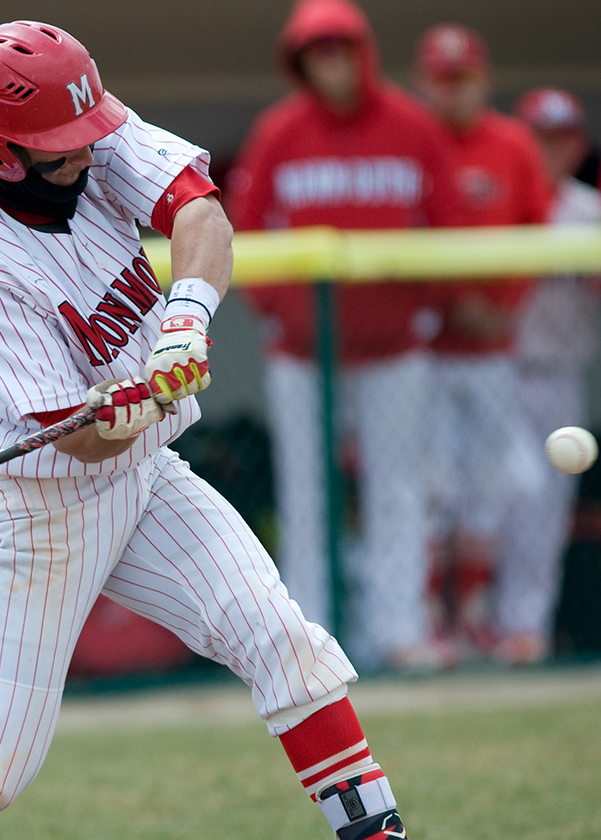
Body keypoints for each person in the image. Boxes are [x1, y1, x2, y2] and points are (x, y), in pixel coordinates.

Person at [0, 21, 406, 840]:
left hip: (141, 473)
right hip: (34, 510)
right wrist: (137, 403)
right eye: (59, 145)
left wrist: (186, 320)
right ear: (3, 150)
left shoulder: (85, 130)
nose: (86, 152)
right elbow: (76, 438)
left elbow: (203, 216)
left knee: (280, 638)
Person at [226, 0, 463, 672]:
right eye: (316, 53)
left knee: (398, 489)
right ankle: (311, 640)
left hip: (394, 350)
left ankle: (399, 629)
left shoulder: (413, 126)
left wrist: (423, 309)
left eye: (340, 50)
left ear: (363, 53)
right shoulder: (279, 132)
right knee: (307, 492)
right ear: (300, 63)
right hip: (303, 353)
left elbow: (447, 224)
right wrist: (280, 313)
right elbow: (246, 230)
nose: (331, 65)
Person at [415, 23, 553, 659]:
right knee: (434, 484)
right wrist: (455, 302)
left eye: (464, 79)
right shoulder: (416, 142)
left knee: (491, 484)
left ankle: (473, 615)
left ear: (484, 80)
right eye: (443, 80)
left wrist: (503, 308)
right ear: (426, 84)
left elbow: (537, 230)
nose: (455, 92)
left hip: (496, 350)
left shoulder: (514, 144)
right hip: (429, 350)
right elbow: (405, 233)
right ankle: (429, 622)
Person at [495, 88, 601, 665]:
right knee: (506, 493)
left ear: (578, 145)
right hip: (503, 372)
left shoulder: (595, 212)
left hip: (563, 375)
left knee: (547, 510)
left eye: (561, 139)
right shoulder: (503, 196)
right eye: (540, 137)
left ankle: (525, 627)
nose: (550, 150)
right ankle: (483, 624)